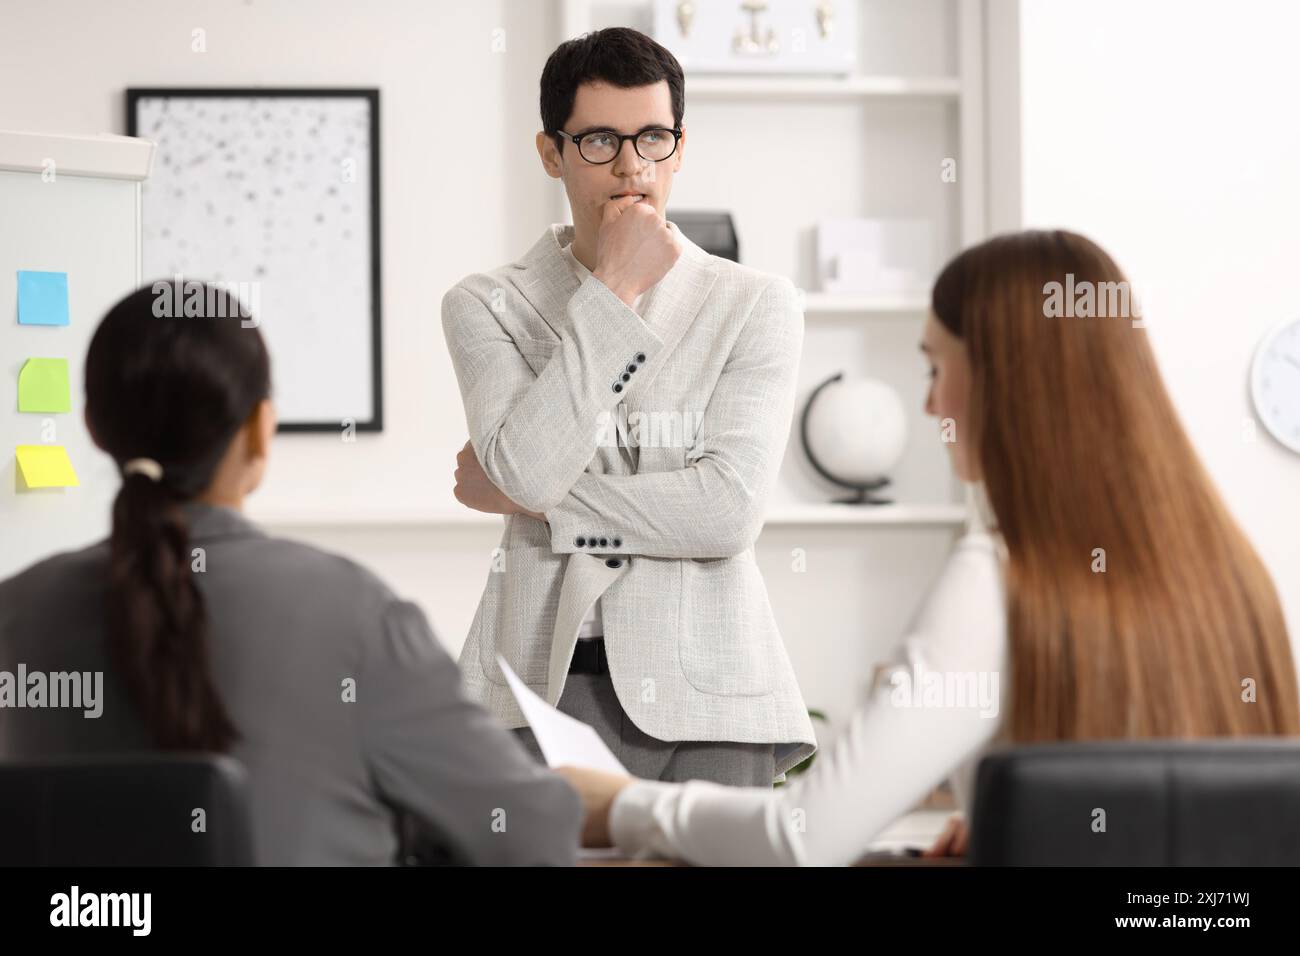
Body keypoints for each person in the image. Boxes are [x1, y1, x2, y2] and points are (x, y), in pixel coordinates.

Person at [555, 230, 1300, 865]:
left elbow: (802, 839)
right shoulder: (1237, 575)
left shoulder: (1001, 576)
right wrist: (1033, 827)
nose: (930, 403)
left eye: (938, 367)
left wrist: (624, 807)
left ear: (1009, 383)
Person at [0, 281, 581, 866]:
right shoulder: (351, 616)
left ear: (95, 429)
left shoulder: (15, 614)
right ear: (259, 429)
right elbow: (528, 837)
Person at [442, 26, 816, 786]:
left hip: (714, 688)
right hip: (539, 680)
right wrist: (613, 288)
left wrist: (532, 501)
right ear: (551, 153)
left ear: (679, 146)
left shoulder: (755, 304)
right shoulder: (486, 304)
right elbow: (530, 468)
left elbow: (726, 511)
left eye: (652, 138)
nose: (631, 167)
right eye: (600, 141)